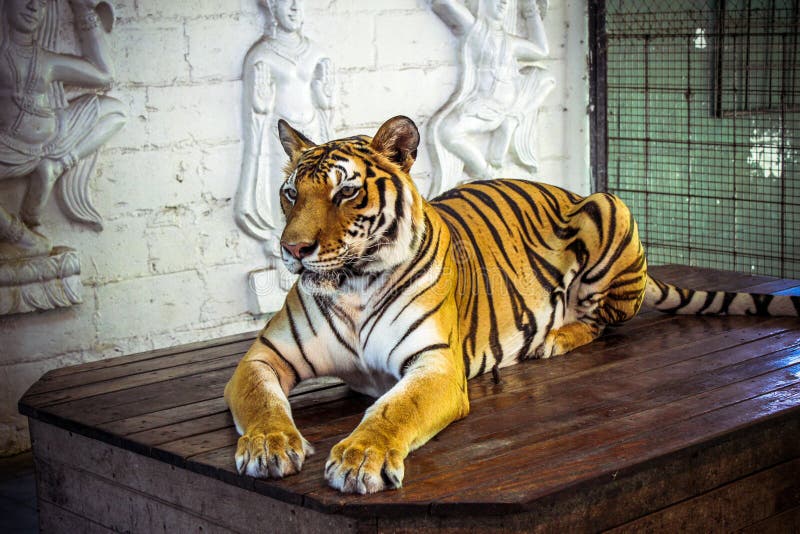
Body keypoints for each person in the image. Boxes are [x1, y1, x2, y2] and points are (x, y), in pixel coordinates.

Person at [0, 0, 126, 260]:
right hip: (11, 147)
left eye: (42, 2)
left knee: (115, 111)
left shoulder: (46, 60)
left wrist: (83, 11)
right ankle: (21, 236)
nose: (34, 7)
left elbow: (104, 75)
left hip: (54, 137)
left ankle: (55, 165)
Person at [235, 0, 334, 260]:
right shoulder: (264, 54)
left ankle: (319, 236)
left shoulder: (314, 52)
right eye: (287, 2)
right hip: (283, 134)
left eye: (299, 3)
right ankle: (286, 246)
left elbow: (325, 102)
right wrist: (262, 96)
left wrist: (325, 86)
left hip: (312, 127)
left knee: (318, 187)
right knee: (286, 188)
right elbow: (257, 107)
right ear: (272, 8)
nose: (294, 8)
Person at [427, 0, 555, 196]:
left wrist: (531, 11)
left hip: (513, 100)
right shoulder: (474, 29)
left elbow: (542, 51)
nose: (504, 3)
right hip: (485, 106)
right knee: (448, 132)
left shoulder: (509, 41)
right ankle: (486, 173)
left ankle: (512, 119)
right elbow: (442, 3)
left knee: (546, 78)